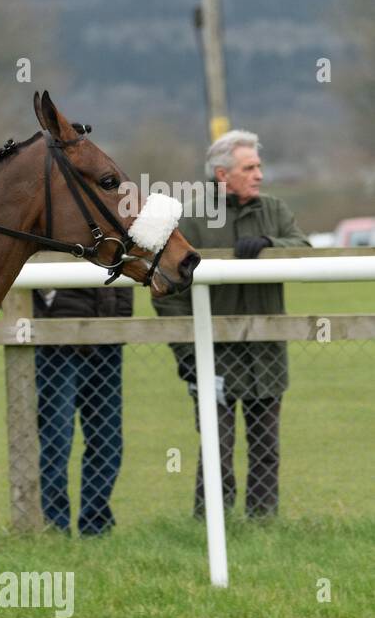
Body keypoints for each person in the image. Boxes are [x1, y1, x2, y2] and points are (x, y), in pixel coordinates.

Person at [153, 129, 310, 518]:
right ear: (223, 175)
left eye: (259, 166)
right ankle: (210, 522)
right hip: (212, 355)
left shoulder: (274, 210)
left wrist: (271, 246)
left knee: (266, 447)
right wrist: (187, 354)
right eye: (250, 167)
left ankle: (262, 523)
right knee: (216, 448)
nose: (259, 174)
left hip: (266, 352)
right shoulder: (190, 218)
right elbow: (167, 291)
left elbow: (306, 251)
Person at [32, 287, 132, 536]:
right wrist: (45, 315)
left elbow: (126, 262)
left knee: (108, 441)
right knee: (57, 441)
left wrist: (119, 319)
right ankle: (55, 526)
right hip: (57, 346)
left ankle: (95, 524)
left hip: (106, 341)